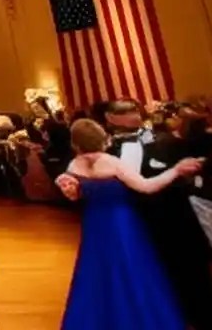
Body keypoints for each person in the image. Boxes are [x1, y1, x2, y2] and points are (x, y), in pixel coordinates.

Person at [57, 119, 203, 330]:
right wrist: (176, 171)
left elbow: (74, 196)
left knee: (97, 273)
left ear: (75, 143)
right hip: (123, 224)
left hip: (94, 224)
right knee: (132, 269)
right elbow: (147, 187)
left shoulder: (73, 166)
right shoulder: (113, 163)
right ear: (103, 139)